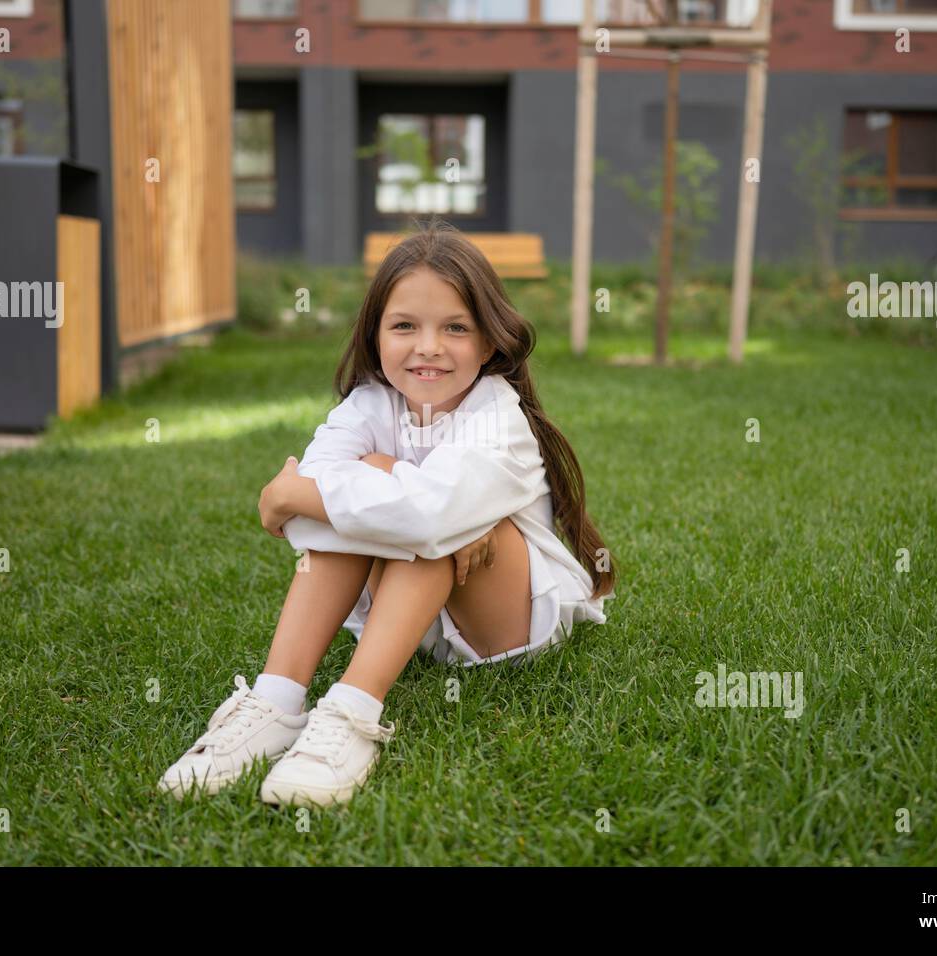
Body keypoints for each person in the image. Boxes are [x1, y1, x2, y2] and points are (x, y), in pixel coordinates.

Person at [157, 220, 617, 807]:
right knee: (399, 496)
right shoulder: (369, 405)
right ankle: (274, 702)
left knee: (432, 520)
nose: (428, 346)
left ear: (489, 342)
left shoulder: (497, 417)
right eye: (405, 326)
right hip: (414, 625)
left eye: (455, 327)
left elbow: (378, 511)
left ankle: (351, 715)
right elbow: (317, 524)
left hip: (505, 626)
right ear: (375, 336)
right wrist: (385, 496)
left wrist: (298, 493)